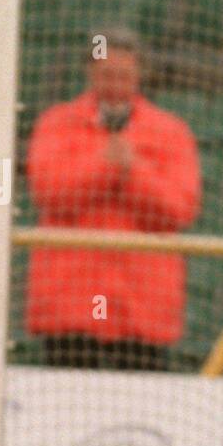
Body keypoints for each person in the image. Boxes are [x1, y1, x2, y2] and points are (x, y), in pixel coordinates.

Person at [25, 27, 202, 371]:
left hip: (142, 305)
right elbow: (48, 191)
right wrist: (106, 166)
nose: (115, 84)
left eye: (123, 75)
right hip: (72, 302)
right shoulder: (57, 123)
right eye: (107, 74)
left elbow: (180, 208)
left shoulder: (171, 132)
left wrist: (133, 171)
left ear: (139, 75)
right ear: (90, 73)